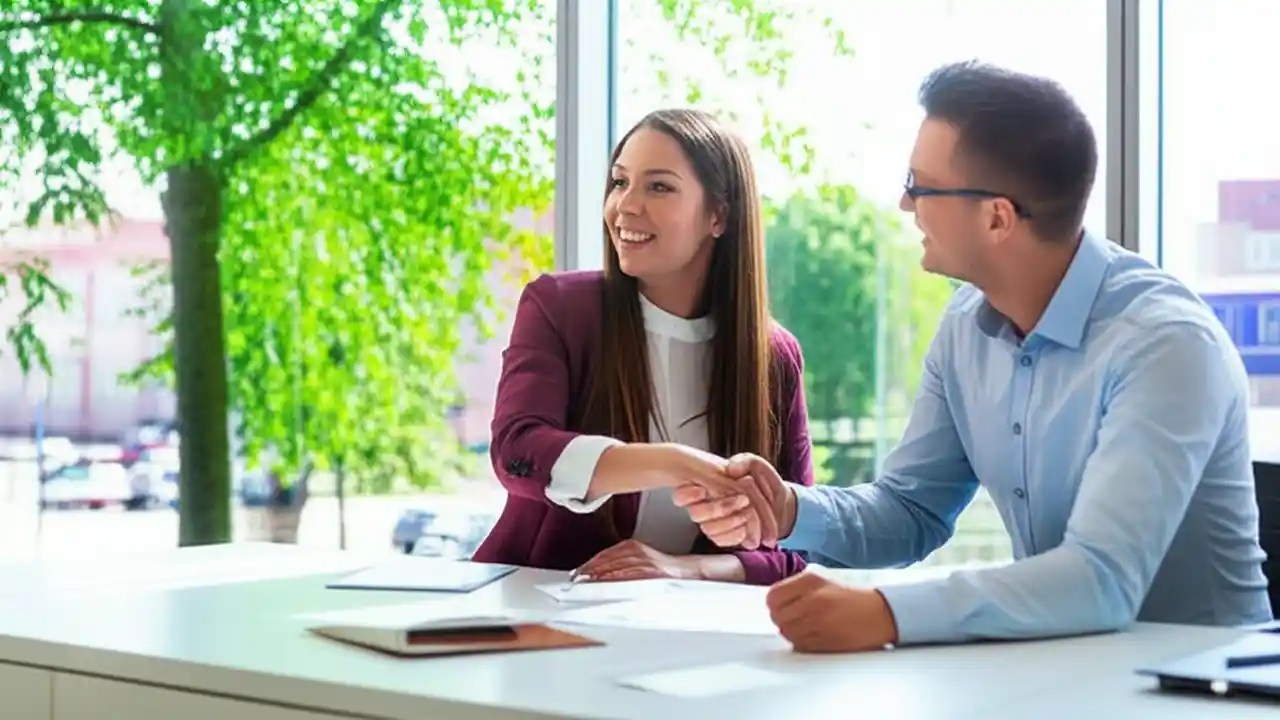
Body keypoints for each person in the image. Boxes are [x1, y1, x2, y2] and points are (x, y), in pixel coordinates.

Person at [676, 60, 1273, 650]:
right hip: (1057, 671)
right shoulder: (965, 324)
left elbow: (1101, 579)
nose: (905, 205)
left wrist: (887, 613)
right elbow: (910, 510)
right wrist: (787, 509)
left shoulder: (1165, 344)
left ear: (997, 217)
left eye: (920, 185)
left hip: (1202, 689)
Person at [471, 109, 814, 585]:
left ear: (718, 215)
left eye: (658, 187)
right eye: (619, 182)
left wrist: (686, 569)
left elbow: (794, 544)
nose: (625, 206)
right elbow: (517, 452)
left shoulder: (774, 358)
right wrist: (672, 463)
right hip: (532, 611)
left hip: (678, 630)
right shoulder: (560, 308)